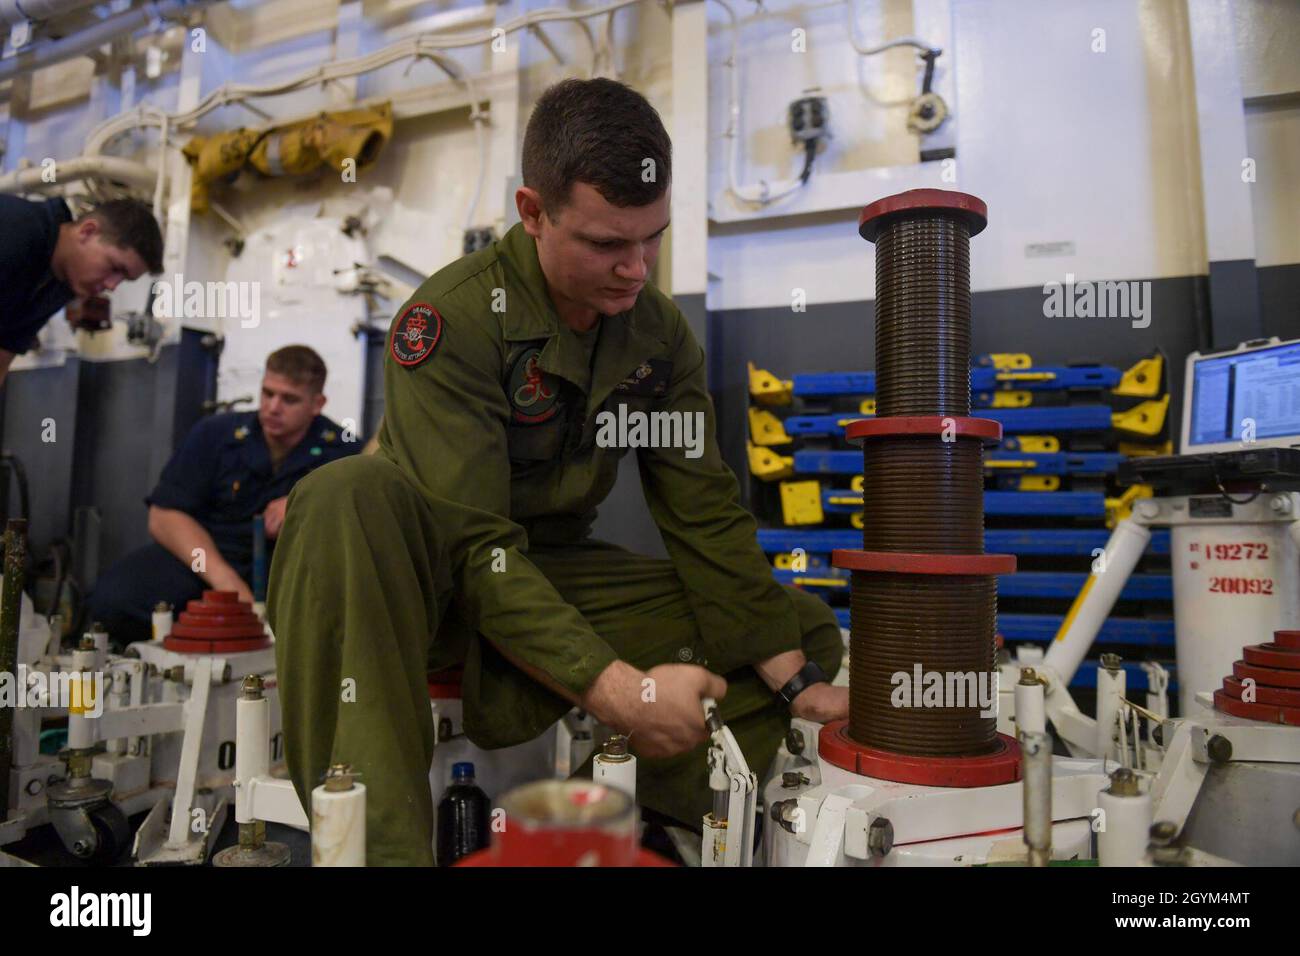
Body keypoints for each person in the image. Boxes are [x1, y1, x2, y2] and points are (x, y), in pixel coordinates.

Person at [268, 77, 848, 866]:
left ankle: (577, 830)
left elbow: (705, 512)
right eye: (608, 244)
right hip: (420, 584)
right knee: (340, 491)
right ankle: (378, 856)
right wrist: (617, 691)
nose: (637, 268)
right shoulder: (453, 320)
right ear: (532, 212)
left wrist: (795, 685)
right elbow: (476, 549)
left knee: (794, 630)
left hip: (550, 571)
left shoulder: (657, 335)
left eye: (654, 238)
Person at [87, 346, 355, 644]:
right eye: (267, 393)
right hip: (209, 559)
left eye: (289, 399)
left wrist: (306, 502)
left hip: (286, 568)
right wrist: (227, 585)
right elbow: (164, 516)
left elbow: (357, 526)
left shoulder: (342, 452)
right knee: (114, 599)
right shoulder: (216, 434)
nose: (272, 407)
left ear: (317, 404)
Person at [0, 196, 163, 384]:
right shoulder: (15, 228)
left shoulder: (59, 283)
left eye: (125, 279)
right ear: (87, 231)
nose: (112, 286)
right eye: (115, 268)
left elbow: (3, 355)